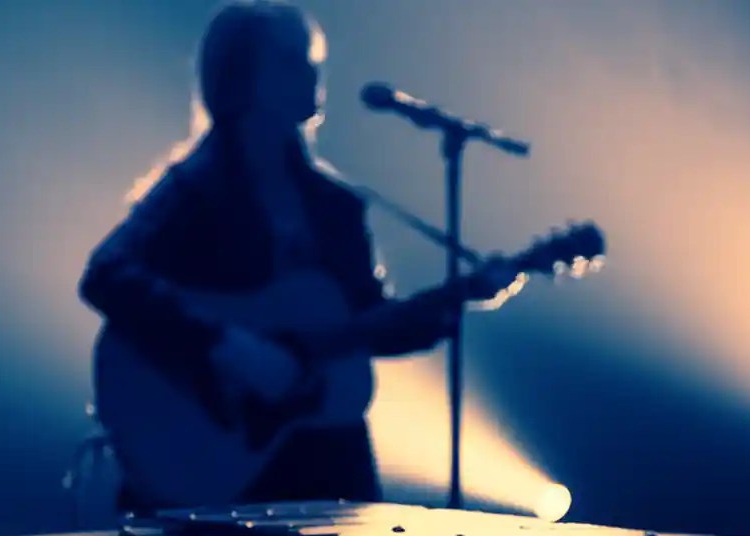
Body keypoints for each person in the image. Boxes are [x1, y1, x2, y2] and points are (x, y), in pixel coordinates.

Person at [79, 0, 487, 510]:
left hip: (325, 457)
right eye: (293, 60)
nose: (313, 73)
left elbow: (363, 320)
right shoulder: (192, 190)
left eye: (311, 60)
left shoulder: (334, 204)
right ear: (245, 76)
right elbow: (106, 274)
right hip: (214, 458)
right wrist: (225, 344)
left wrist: (441, 309)